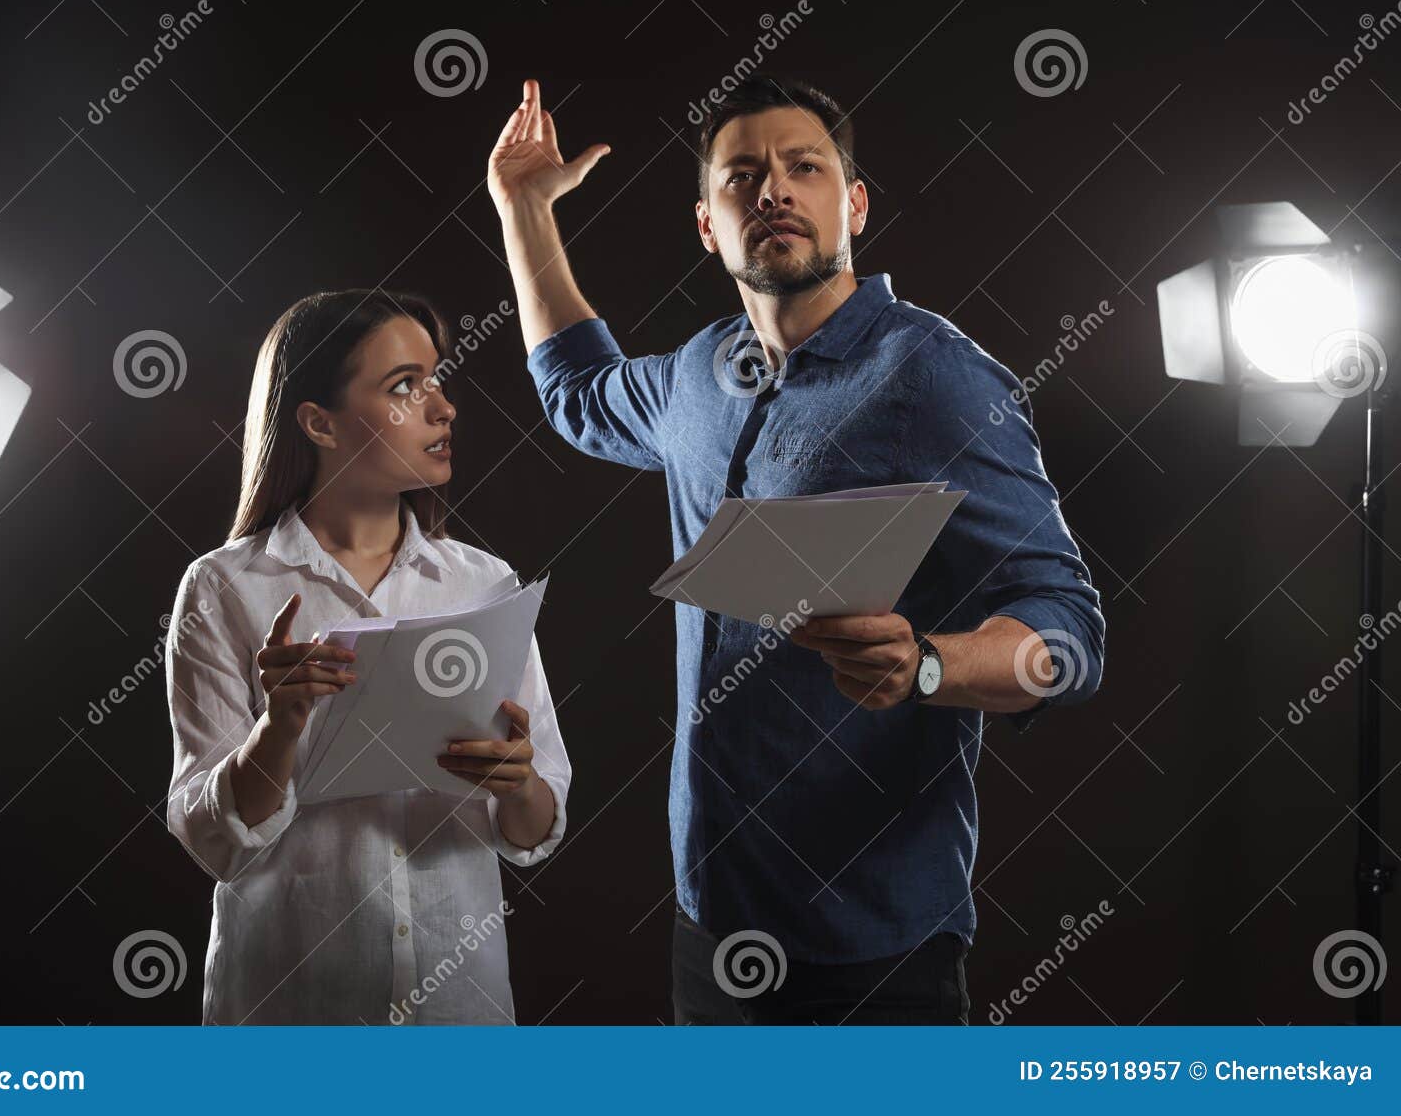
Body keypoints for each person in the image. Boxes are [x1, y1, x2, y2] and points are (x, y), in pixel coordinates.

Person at [487, 76, 1105, 1024]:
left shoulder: (934, 375)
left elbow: (1067, 633)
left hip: (875, 947)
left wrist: (931, 665)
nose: (772, 189)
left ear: (852, 203)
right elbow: (579, 389)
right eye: (742, 176)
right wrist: (525, 210)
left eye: (803, 167)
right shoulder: (697, 372)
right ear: (708, 224)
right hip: (713, 927)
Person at [164, 289, 571, 1024]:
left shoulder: (484, 583)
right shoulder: (225, 587)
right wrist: (279, 727)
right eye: (404, 387)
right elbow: (211, 840)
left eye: (436, 379)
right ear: (319, 422)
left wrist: (517, 785)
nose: (443, 408)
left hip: (462, 1018)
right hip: (292, 1019)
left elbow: (538, 824)